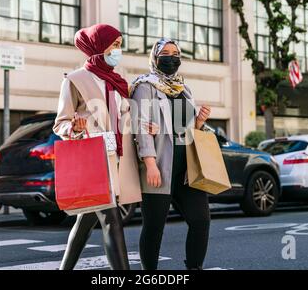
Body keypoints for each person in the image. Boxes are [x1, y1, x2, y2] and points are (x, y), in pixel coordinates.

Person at [53, 24, 142, 270]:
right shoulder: (75, 80)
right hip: (93, 160)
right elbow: (60, 123)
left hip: (117, 161)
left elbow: (124, 118)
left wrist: (144, 126)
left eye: (120, 45)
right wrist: (76, 128)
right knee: (112, 219)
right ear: (98, 46)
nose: (118, 50)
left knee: (85, 222)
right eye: (114, 44)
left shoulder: (117, 81)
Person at [130, 38, 212, 270]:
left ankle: (194, 267)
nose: (171, 57)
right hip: (160, 164)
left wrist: (199, 121)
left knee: (201, 220)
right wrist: (150, 163)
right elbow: (141, 126)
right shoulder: (144, 86)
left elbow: (186, 129)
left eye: (175, 53)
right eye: (165, 52)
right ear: (155, 58)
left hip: (187, 167)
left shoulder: (184, 89)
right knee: (154, 226)